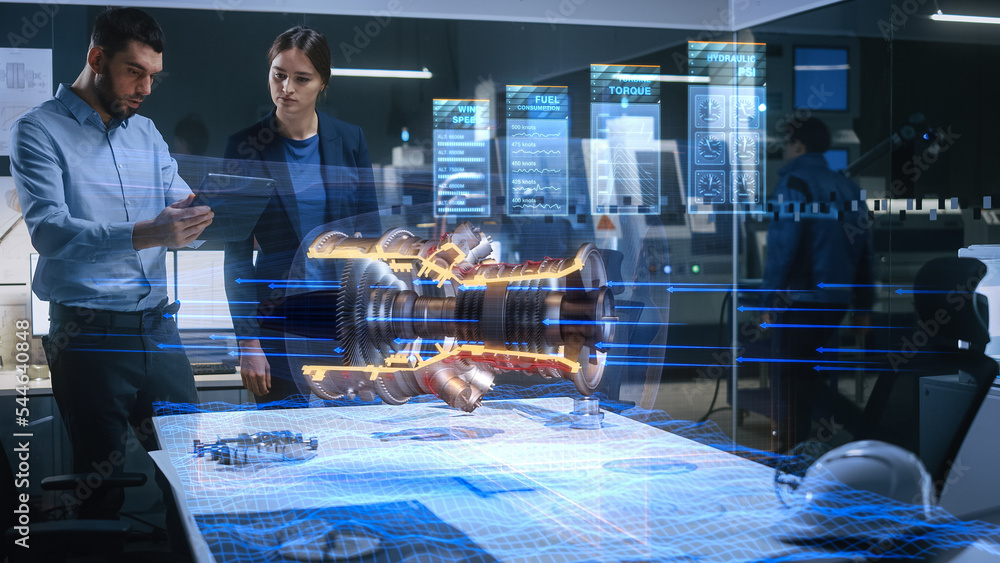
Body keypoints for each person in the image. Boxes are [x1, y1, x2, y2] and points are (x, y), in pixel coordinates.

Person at [9, 5, 212, 535]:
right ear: (97, 58)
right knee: (99, 487)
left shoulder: (146, 133)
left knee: (194, 477)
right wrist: (151, 233)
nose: (146, 88)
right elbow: (50, 231)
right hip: (88, 335)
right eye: (134, 72)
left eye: (153, 76)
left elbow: (180, 207)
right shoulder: (36, 132)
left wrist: (215, 210)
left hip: (158, 330)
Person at [223, 26, 379, 406]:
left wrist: (378, 324)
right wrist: (248, 341)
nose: (286, 88)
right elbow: (237, 255)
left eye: (301, 78)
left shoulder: (350, 140)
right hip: (278, 323)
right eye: (279, 75)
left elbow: (372, 238)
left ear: (322, 83)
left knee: (348, 442)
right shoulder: (245, 148)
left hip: (342, 321)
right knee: (285, 442)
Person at [759, 117, 873, 453]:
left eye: (787, 144)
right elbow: (865, 251)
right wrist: (863, 306)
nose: (784, 151)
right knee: (808, 375)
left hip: (799, 299)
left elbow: (782, 248)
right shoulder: (849, 187)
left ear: (798, 146)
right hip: (836, 302)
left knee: (792, 382)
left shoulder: (794, 182)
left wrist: (768, 301)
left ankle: (795, 453)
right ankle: (811, 446)